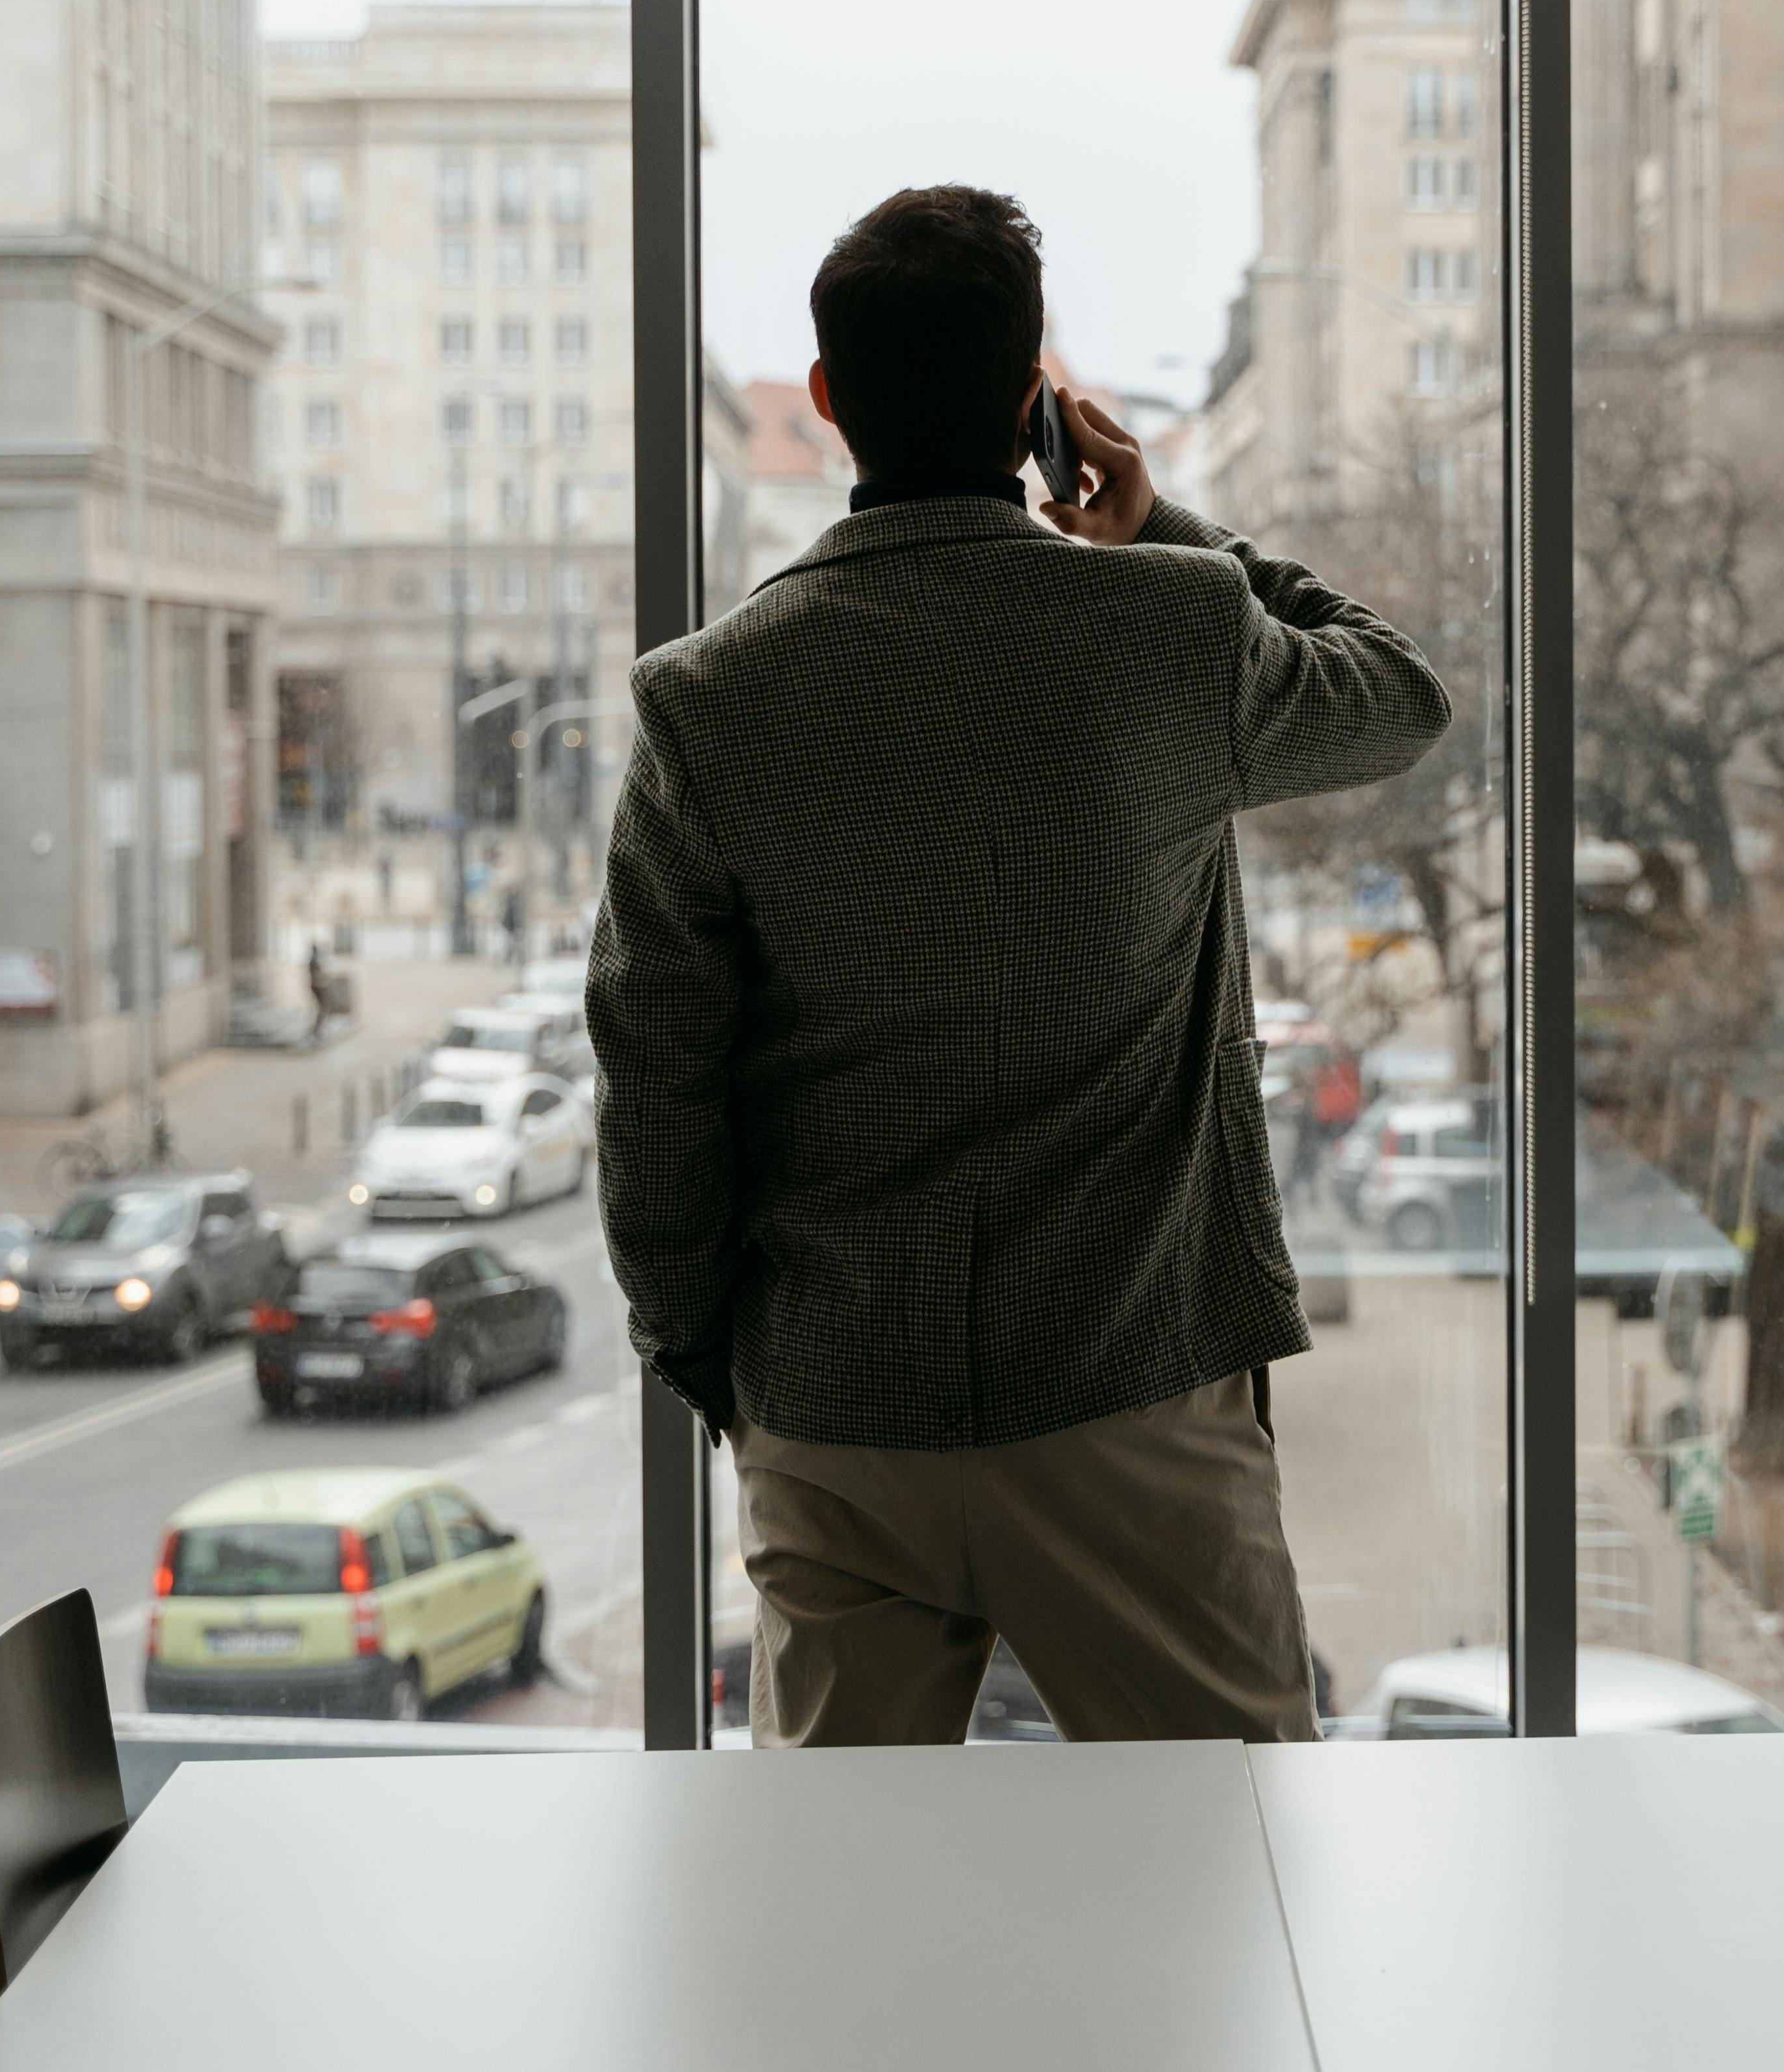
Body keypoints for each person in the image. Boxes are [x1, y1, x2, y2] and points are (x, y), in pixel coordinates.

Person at [588, 185, 1450, 1747]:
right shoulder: (1172, 632)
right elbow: (1400, 694)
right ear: (1034, 402)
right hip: (1133, 1393)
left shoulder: (708, 704)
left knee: (843, 1913)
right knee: (1230, 1867)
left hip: (837, 1407)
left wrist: (709, 1359)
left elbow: (652, 1076)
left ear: (834, 398)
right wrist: (1173, 528)